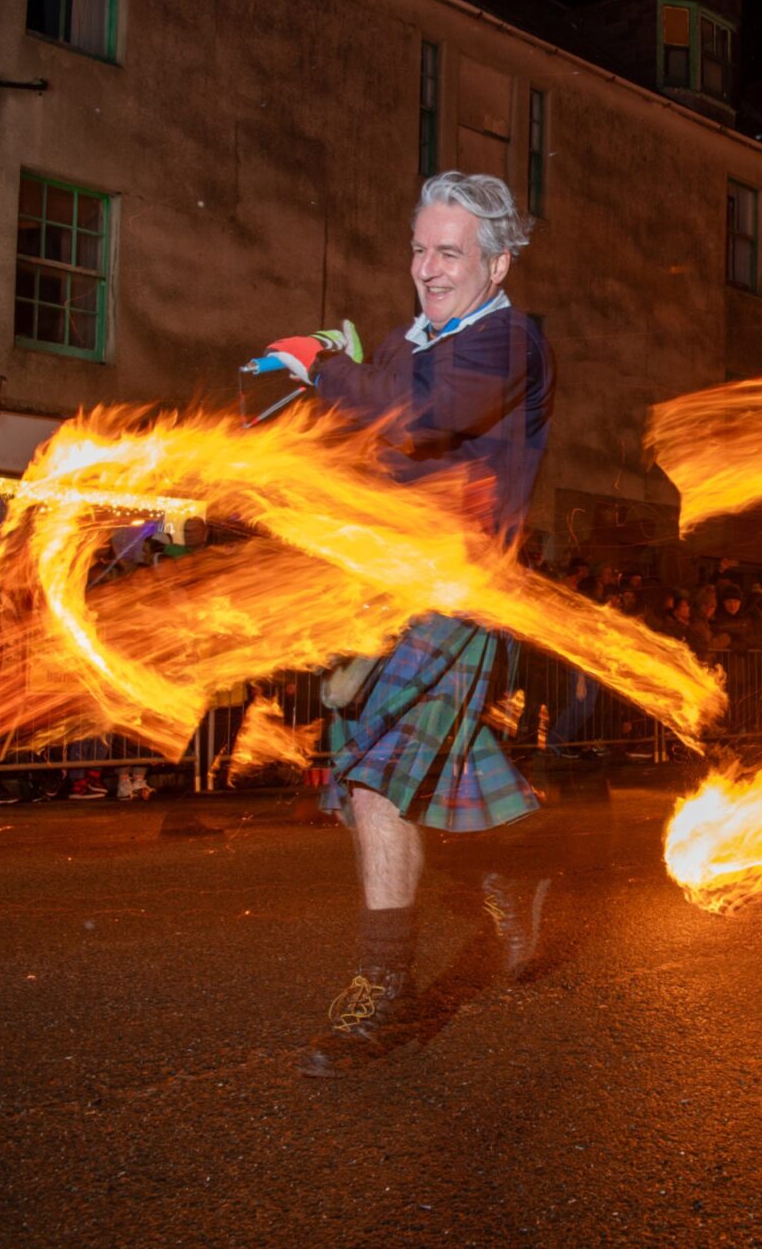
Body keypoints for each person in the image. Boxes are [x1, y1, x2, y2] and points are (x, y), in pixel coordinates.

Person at [256, 172, 552, 1077]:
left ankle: (380, 992)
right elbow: (358, 439)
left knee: (378, 778)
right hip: (377, 591)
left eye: (449, 251)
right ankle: (509, 873)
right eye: (419, 248)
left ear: (497, 262)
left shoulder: (508, 341)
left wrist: (323, 365)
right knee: (386, 778)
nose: (426, 267)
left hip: (456, 592)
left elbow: (419, 418)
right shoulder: (400, 343)